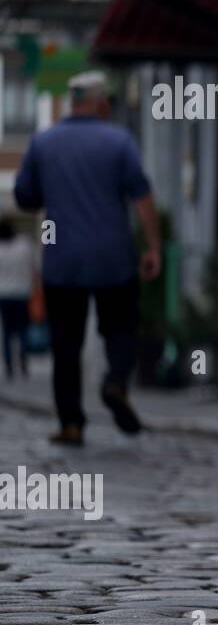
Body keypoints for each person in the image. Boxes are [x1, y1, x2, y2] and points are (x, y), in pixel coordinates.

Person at [13, 71, 161, 445]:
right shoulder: (119, 141)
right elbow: (141, 197)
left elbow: (24, 197)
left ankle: (71, 423)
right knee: (121, 330)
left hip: (62, 260)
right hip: (113, 258)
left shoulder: (43, 143)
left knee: (65, 344)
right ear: (101, 103)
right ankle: (115, 382)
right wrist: (153, 247)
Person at [0, 217, 37, 379]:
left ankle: (9, 366)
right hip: (23, 292)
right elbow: (34, 267)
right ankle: (23, 361)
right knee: (23, 331)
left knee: (7, 332)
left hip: (4, 293)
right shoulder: (24, 244)